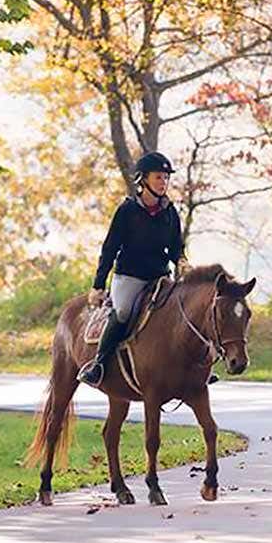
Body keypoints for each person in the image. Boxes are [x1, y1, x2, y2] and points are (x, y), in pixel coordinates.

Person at [78, 151, 191, 386]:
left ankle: (192, 369)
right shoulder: (127, 210)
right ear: (144, 180)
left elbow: (175, 247)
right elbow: (109, 249)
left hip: (160, 277)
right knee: (122, 313)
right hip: (129, 276)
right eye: (158, 177)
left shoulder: (170, 212)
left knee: (181, 312)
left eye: (166, 178)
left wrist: (181, 259)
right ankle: (98, 364)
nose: (164, 182)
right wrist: (98, 285)